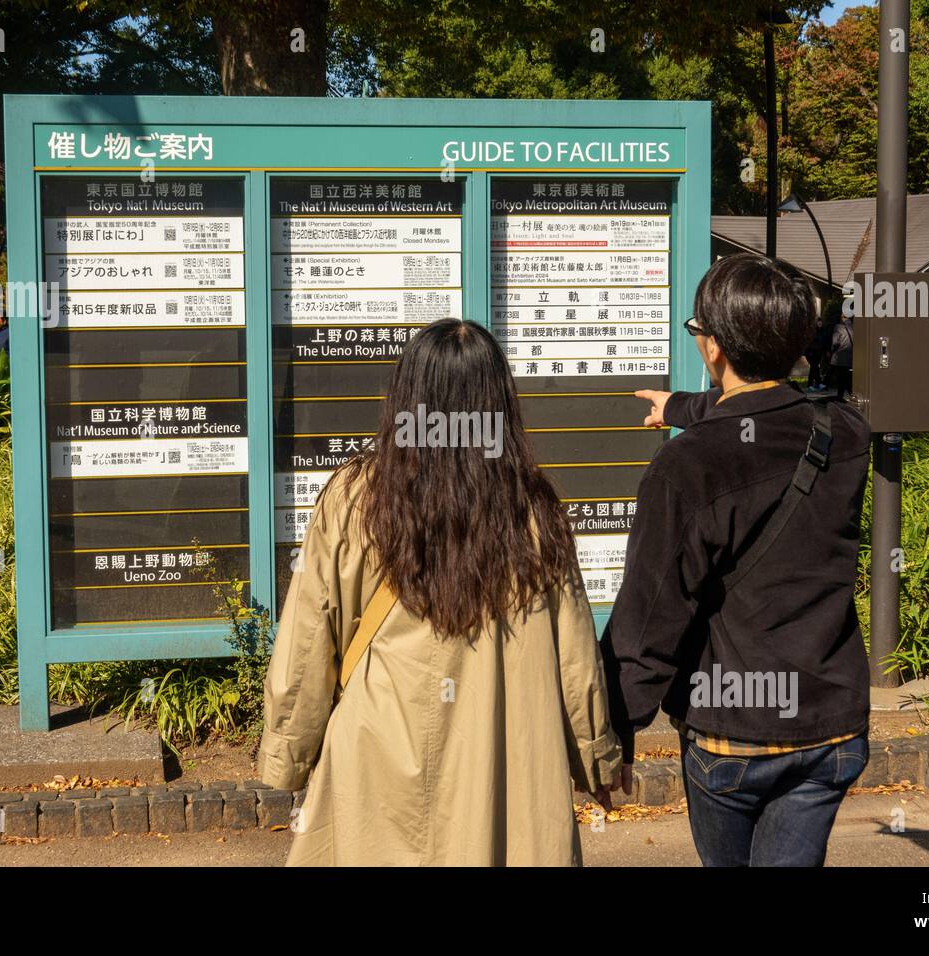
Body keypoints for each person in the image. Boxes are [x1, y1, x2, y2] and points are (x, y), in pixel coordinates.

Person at [259, 318, 623, 866]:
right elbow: (574, 658)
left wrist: (289, 751)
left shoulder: (357, 497)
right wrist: (594, 758)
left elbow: (311, 637)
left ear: (407, 395)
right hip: (502, 760)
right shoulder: (535, 509)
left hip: (378, 751)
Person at [601, 253, 872, 867]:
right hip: (831, 725)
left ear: (715, 348)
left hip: (735, 733)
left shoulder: (685, 469)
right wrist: (683, 407)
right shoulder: (846, 433)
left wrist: (614, 734)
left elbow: (648, 621)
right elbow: (771, 420)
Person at [827, 312, 853, 398]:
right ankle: (849, 395)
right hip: (850, 357)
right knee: (847, 378)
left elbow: (835, 342)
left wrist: (831, 350)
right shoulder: (853, 327)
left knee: (841, 379)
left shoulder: (838, 327)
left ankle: (840, 397)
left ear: (842, 318)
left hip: (840, 357)